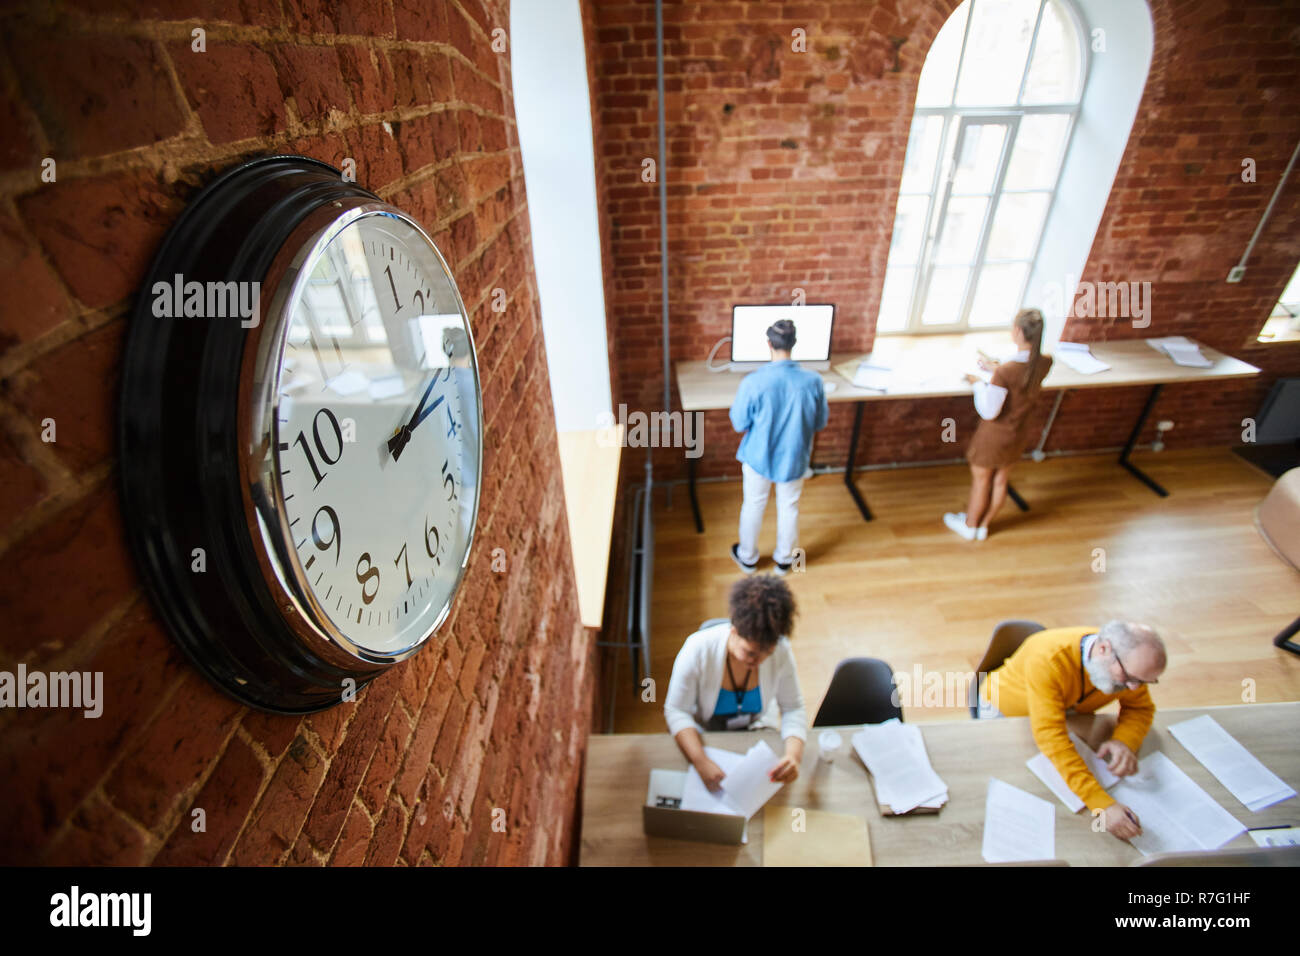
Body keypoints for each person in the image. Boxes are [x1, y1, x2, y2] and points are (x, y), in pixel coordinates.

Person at [979, 621, 1167, 841]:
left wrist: (1124, 741)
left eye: (1144, 682)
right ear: (1104, 649)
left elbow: (1140, 707)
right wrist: (1101, 806)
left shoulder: (1126, 666)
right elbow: (1052, 738)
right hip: (1004, 713)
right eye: (1130, 678)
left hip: (1060, 713)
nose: (1134, 688)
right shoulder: (1049, 659)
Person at [664, 574, 807, 789]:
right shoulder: (696, 650)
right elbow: (676, 710)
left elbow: (793, 708)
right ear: (733, 631)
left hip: (755, 735)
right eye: (750, 653)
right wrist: (700, 761)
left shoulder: (780, 652)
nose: (759, 661)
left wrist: (793, 756)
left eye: (767, 652)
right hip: (707, 737)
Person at [729, 318, 829, 573]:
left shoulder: (753, 382)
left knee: (753, 503)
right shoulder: (814, 381)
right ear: (794, 344)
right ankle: (785, 560)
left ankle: (748, 558)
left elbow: (739, 423)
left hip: (758, 457)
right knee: (789, 506)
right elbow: (820, 422)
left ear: (769, 345)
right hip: (794, 457)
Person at [944, 308, 1053, 541]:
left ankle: (969, 525)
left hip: (995, 436)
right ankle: (983, 525)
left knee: (981, 481)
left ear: (1017, 331)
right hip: (1018, 433)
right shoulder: (1044, 362)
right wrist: (996, 370)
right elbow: (1021, 377)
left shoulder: (1006, 371)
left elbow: (989, 411)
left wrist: (978, 383)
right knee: (1000, 480)